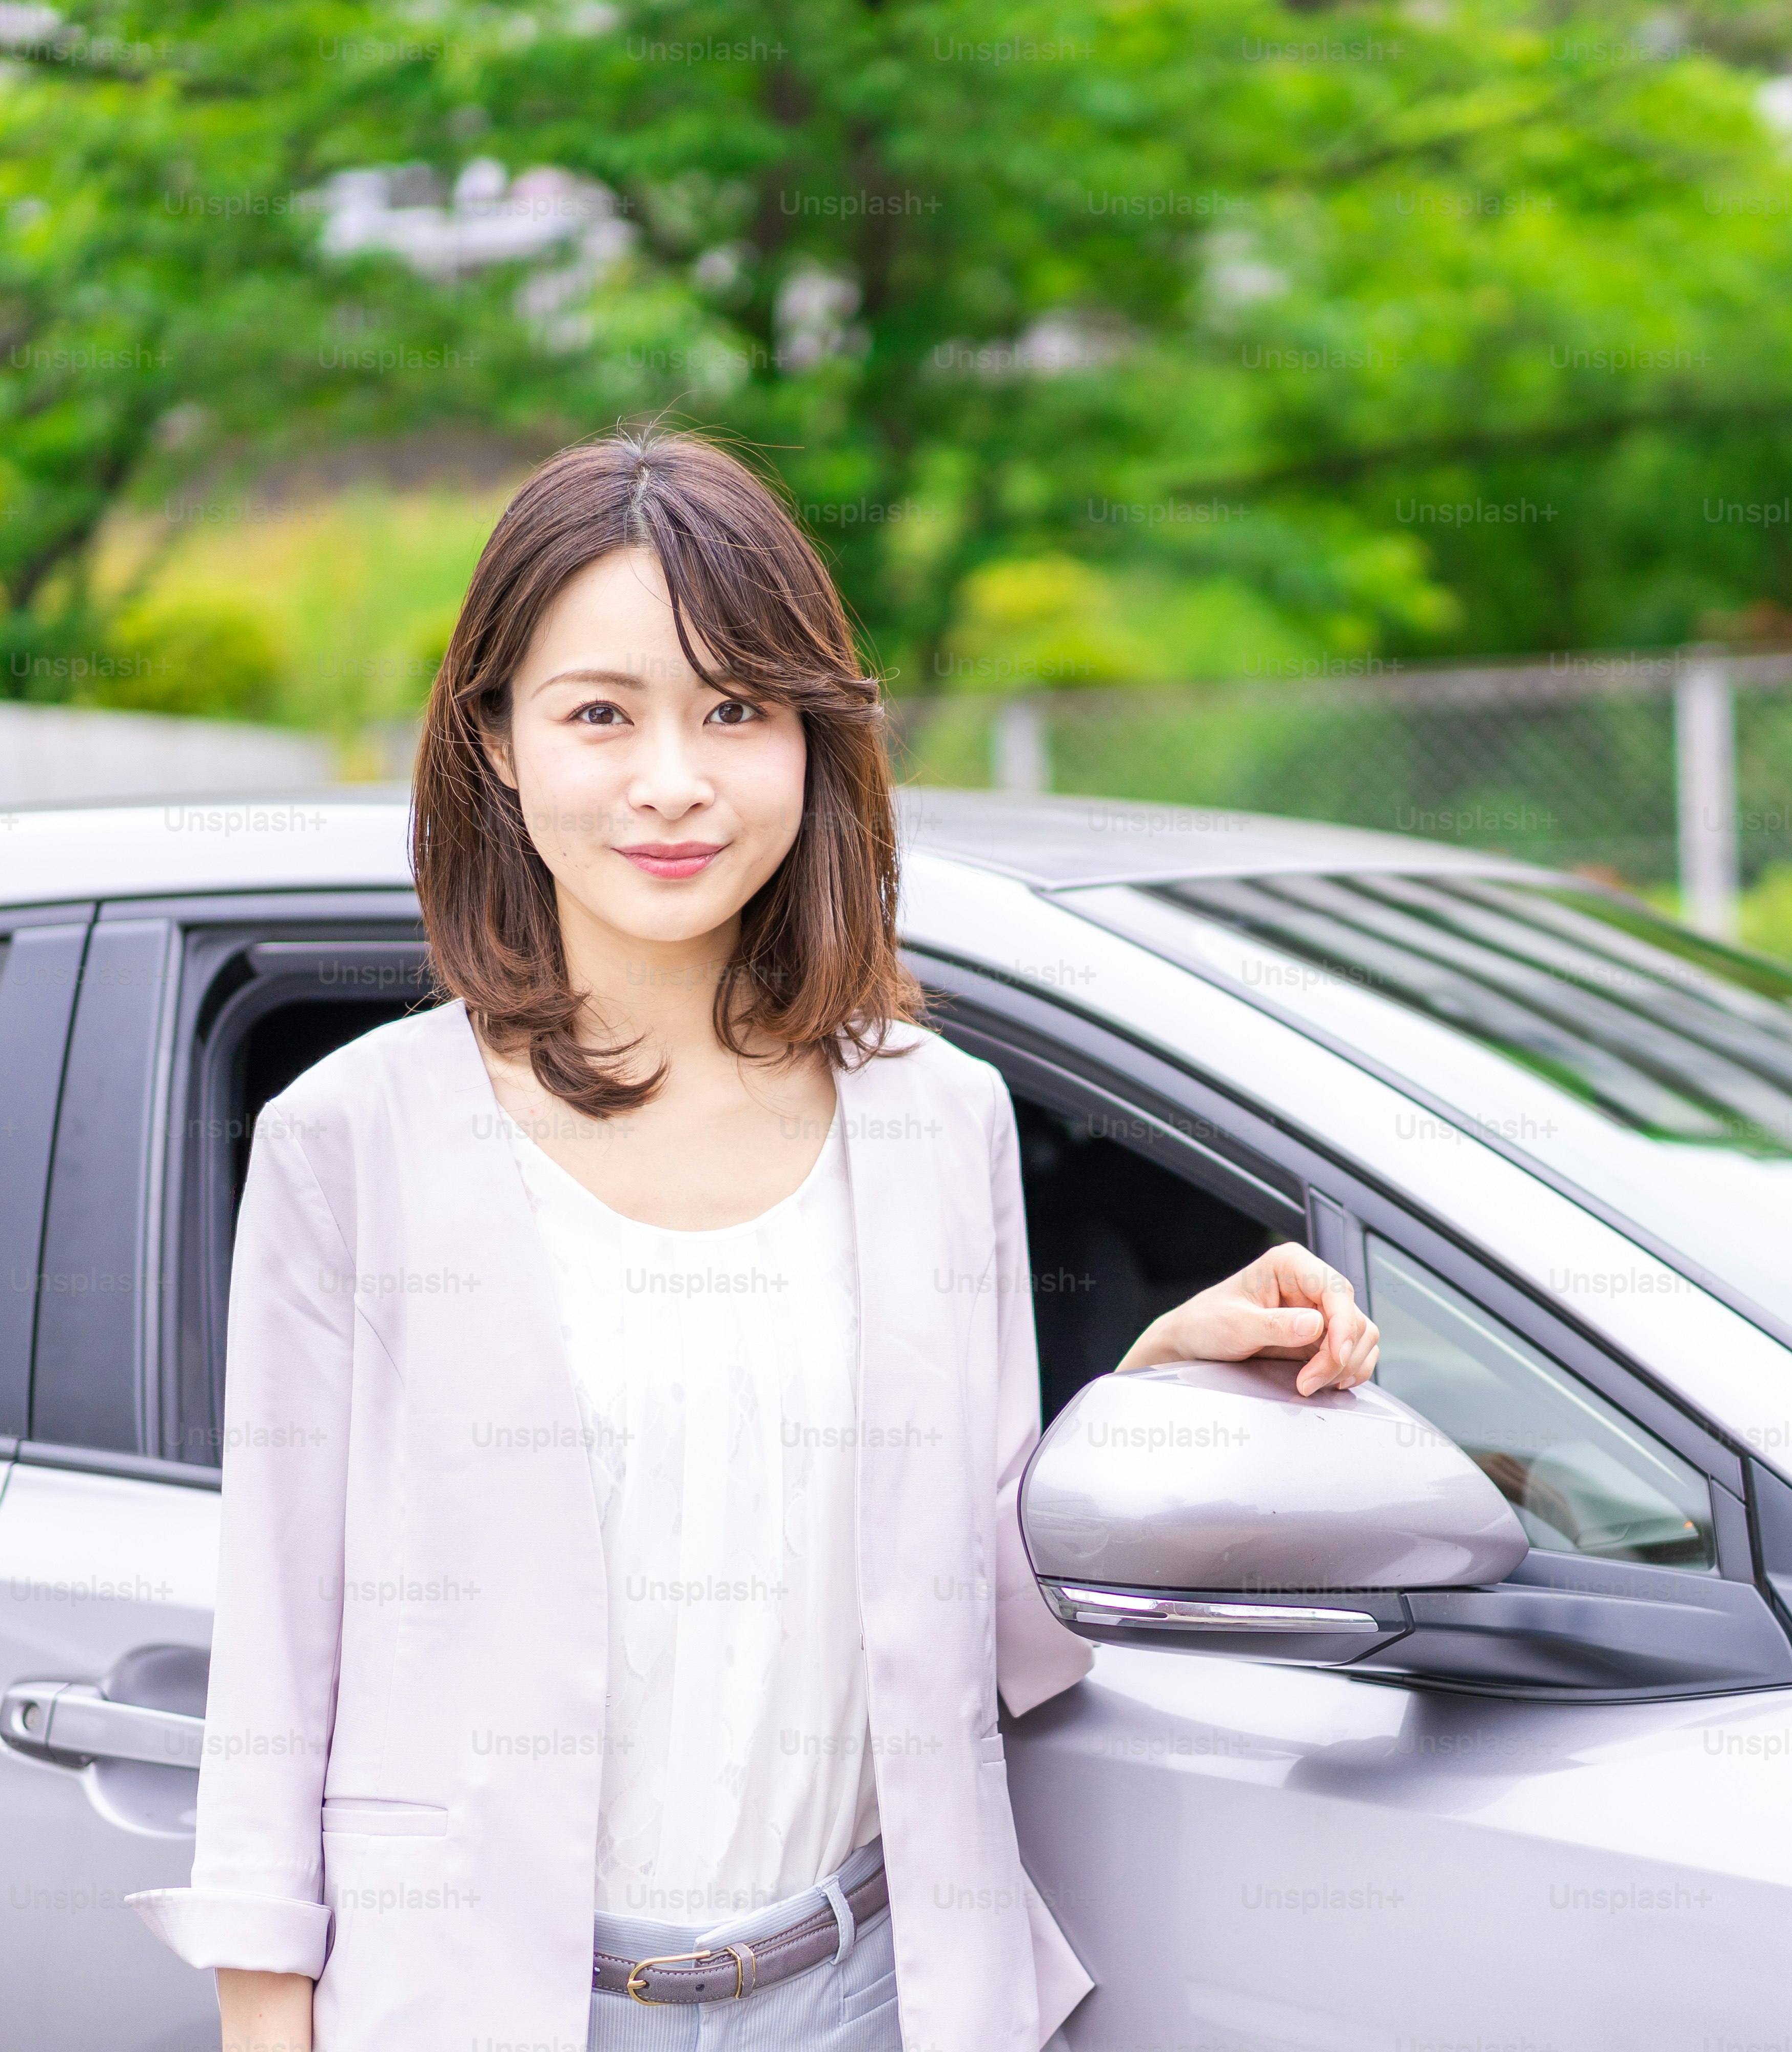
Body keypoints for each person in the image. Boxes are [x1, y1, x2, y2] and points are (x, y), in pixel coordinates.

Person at [126, 426, 1377, 2052]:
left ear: (812, 738)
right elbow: (280, 1672)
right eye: (600, 713)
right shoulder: (348, 1145)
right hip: (496, 2012)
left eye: (735, 710)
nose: (674, 779)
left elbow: (988, 1627)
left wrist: (1162, 1385)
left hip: (871, 1995)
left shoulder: (939, 1121)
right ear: (495, 742)